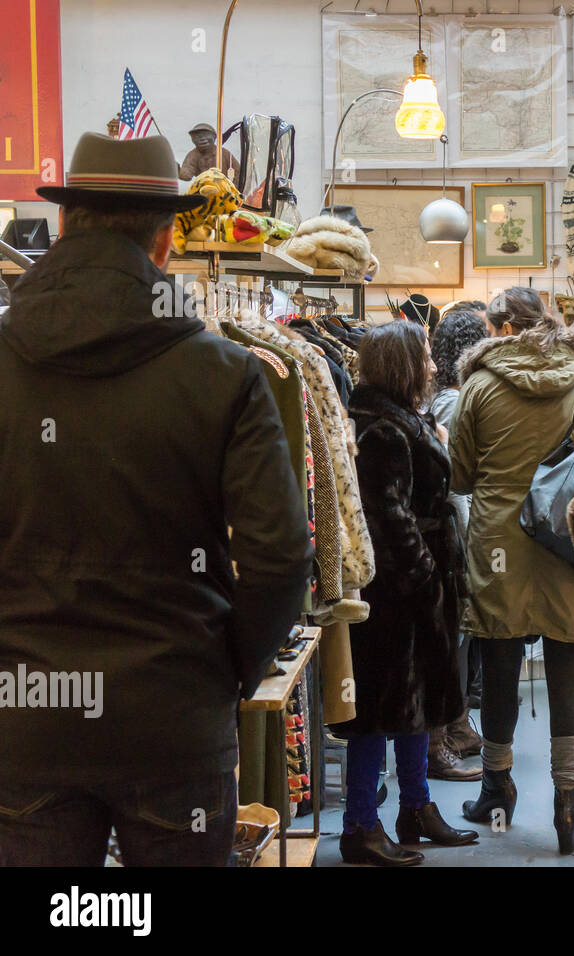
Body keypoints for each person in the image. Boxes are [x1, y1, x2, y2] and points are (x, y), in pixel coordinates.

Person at [0, 132, 313, 865]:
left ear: (67, 227)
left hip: (27, 717)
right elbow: (279, 558)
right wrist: (227, 667)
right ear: (167, 244)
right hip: (174, 716)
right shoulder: (227, 372)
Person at [449, 287, 574, 854]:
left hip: (499, 542)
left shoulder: (476, 385)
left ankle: (497, 789)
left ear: (499, 327)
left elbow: (461, 473)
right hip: (566, 541)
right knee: (568, 659)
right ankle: (567, 808)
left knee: (499, 667)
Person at [332, 321, 478, 866]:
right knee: (376, 710)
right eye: (424, 357)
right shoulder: (382, 430)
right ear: (402, 365)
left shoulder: (398, 419)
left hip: (417, 594)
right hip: (394, 598)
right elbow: (388, 517)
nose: (435, 366)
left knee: (418, 702)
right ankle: (360, 827)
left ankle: (415, 807)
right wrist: (425, 579)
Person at [425, 309, 490, 781]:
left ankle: (458, 723)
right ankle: (448, 727)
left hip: (457, 525)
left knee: (461, 633)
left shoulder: (449, 395)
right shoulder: (452, 400)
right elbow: (454, 482)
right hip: (456, 527)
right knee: (456, 633)